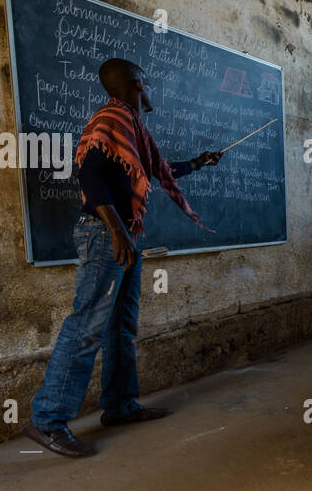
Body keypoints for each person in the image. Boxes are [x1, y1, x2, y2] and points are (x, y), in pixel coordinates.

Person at [22, 58, 223, 457]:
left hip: (122, 235)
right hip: (105, 235)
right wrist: (116, 230)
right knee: (87, 325)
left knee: (120, 325)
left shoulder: (133, 128)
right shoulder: (111, 118)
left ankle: (119, 406)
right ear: (134, 85)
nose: (152, 91)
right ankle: (47, 420)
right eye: (147, 83)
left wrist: (199, 162)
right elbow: (88, 175)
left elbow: (157, 171)